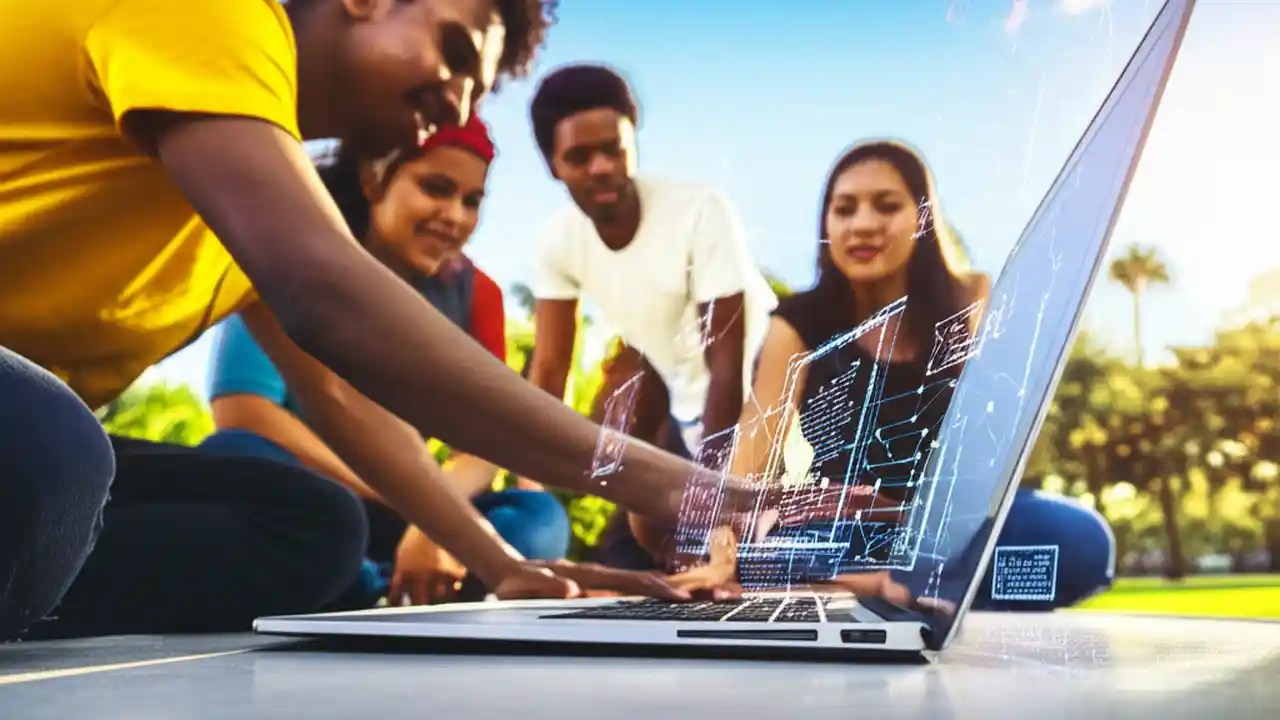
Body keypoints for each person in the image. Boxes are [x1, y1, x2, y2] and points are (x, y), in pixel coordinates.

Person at [0, 0, 726, 641]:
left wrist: (500, 565)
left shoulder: (238, 216)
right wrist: (668, 483)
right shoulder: (213, 12)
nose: (461, 99)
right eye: (456, 51)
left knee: (315, 527)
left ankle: (36, 591)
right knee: (55, 447)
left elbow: (344, 399)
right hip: (35, 434)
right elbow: (328, 294)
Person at [726, 139, 1116, 609]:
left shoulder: (968, 300)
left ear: (923, 217)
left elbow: (1001, 450)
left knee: (1081, 540)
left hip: (956, 524)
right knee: (762, 557)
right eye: (844, 210)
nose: (863, 225)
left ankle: (896, 587)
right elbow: (750, 461)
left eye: (887, 206)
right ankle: (907, 588)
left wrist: (917, 515)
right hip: (849, 531)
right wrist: (730, 543)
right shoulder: (797, 322)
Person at [203, 117, 571, 607]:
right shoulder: (295, 257)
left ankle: (377, 583)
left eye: (471, 201)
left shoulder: (475, 293)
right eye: (434, 188)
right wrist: (415, 505)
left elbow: (485, 445)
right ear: (373, 181)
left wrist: (438, 524)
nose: (454, 216)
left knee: (539, 517)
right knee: (234, 452)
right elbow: (245, 410)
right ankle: (380, 585)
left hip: (413, 513)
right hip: (317, 492)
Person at [522, 63, 778, 569]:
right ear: (553, 165)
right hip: (686, 415)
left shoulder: (700, 209)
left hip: (762, 396)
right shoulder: (557, 241)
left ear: (632, 143)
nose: (599, 167)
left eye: (613, 149)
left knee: (748, 565)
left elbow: (726, 362)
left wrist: (711, 492)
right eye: (578, 156)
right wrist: (527, 475)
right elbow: (550, 367)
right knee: (630, 564)